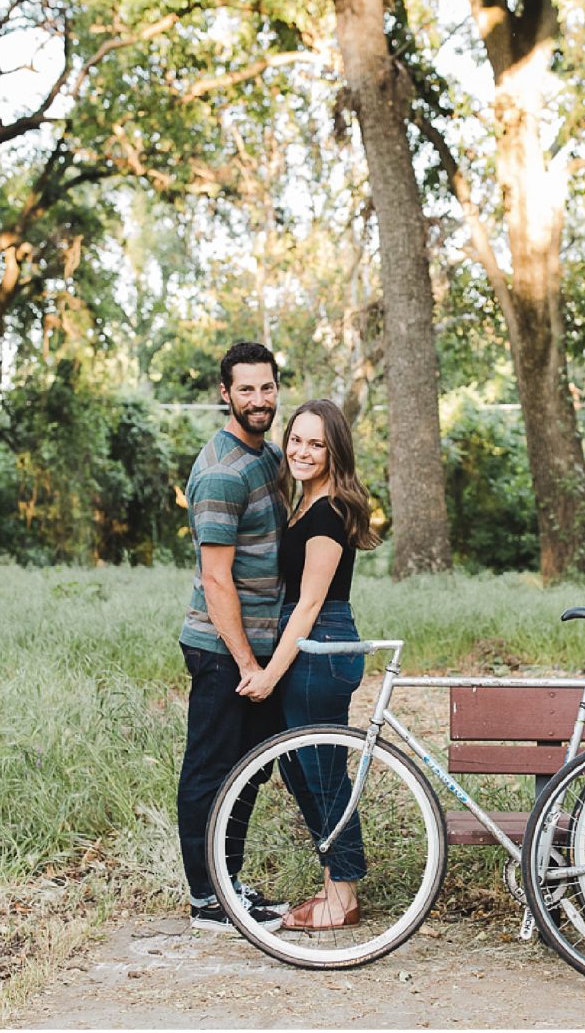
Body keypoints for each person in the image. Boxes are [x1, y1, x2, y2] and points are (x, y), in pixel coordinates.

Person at [235, 398, 380, 931]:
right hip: (314, 642)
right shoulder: (305, 504)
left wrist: (271, 673)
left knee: (320, 775)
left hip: (321, 643)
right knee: (305, 770)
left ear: (334, 450)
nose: (301, 450)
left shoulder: (326, 512)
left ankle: (342, 895)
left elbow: (312, 602)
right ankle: (334, 886)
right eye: (296, 439)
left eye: (316, 443)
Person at [177, 341, 290, 931]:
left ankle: (228, 880)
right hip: (224, 650)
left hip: (259, 648)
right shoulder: (221, 473)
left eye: (266, 387)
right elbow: (216, 579)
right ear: (225, 393)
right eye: (245, 389)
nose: (258, 399)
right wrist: (248, 663)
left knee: (251, 767)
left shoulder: (269, 456)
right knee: (212, 767)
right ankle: (206, 900)